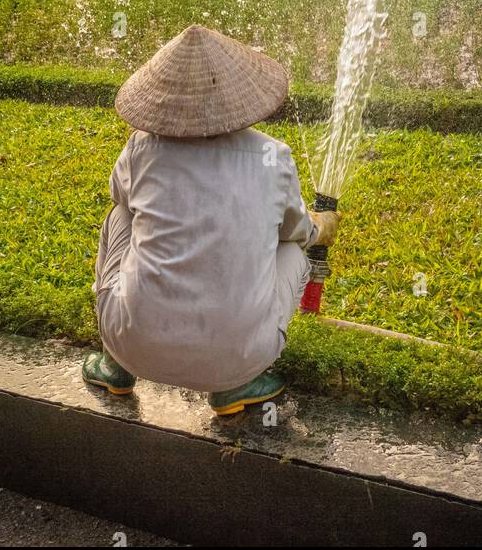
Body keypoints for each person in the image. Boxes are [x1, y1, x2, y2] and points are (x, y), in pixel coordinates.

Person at [82, 26, 340, 415]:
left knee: (120, 215)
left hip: (131, 343)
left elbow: (121, 197)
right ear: (240, 97)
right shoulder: (273, 155)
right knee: (294, 252)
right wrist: (323, 225)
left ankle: (114, 366)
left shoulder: (141, 145)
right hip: (238, 359)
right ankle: (238, 386)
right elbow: (297, 232)